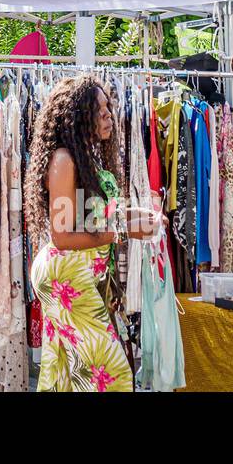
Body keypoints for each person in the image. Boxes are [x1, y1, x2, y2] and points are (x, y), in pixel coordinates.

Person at [26, 75, 161, 393]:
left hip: (81, 274)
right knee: (111, 374)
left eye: (108, 108)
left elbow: (98, 217)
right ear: (78, 116)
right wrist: (122, 232)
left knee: (66, 377)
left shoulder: (88, 158)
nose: (109, 116)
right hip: (67, 277)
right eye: (99, 110)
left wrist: (142, 219)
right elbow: (63, 236)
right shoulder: (63, 160)